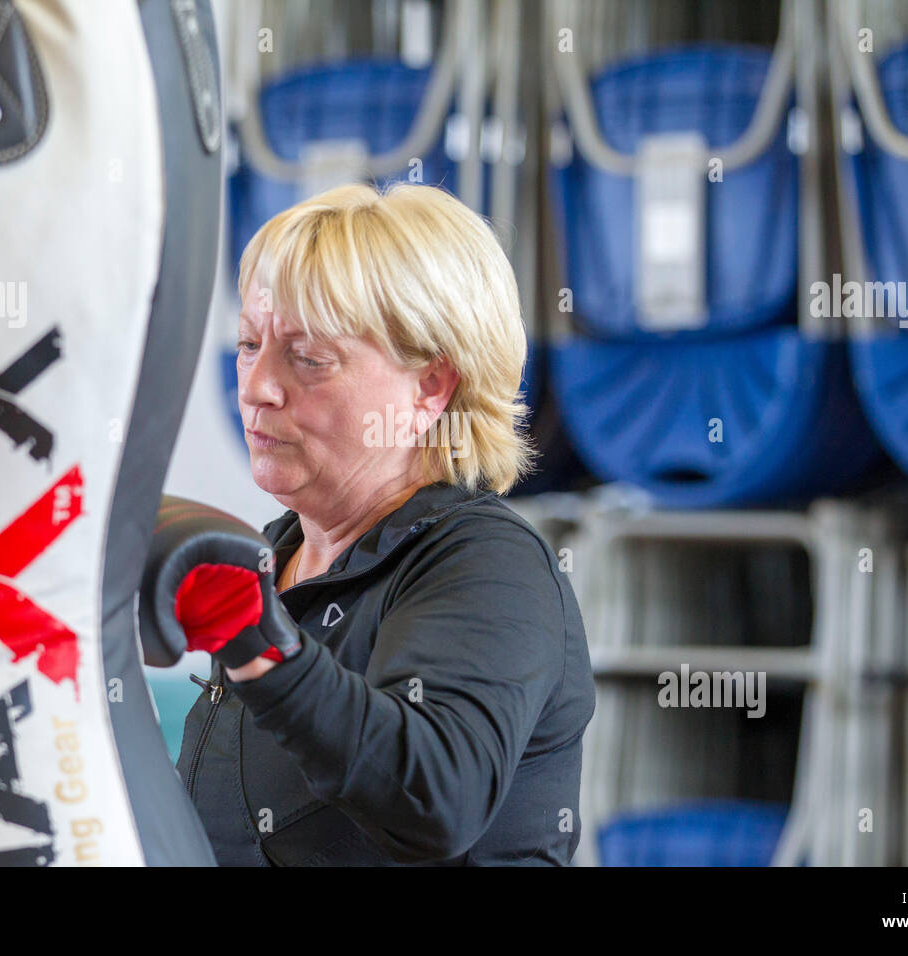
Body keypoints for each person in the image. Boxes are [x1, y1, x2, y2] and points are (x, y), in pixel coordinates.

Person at [160, 182, 595, 865]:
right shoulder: (278, 558)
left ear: (430, 387)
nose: (255, 386)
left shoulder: (487, 564)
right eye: (249, 344)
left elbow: (435, 796)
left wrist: (256, 641)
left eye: (308, 358)